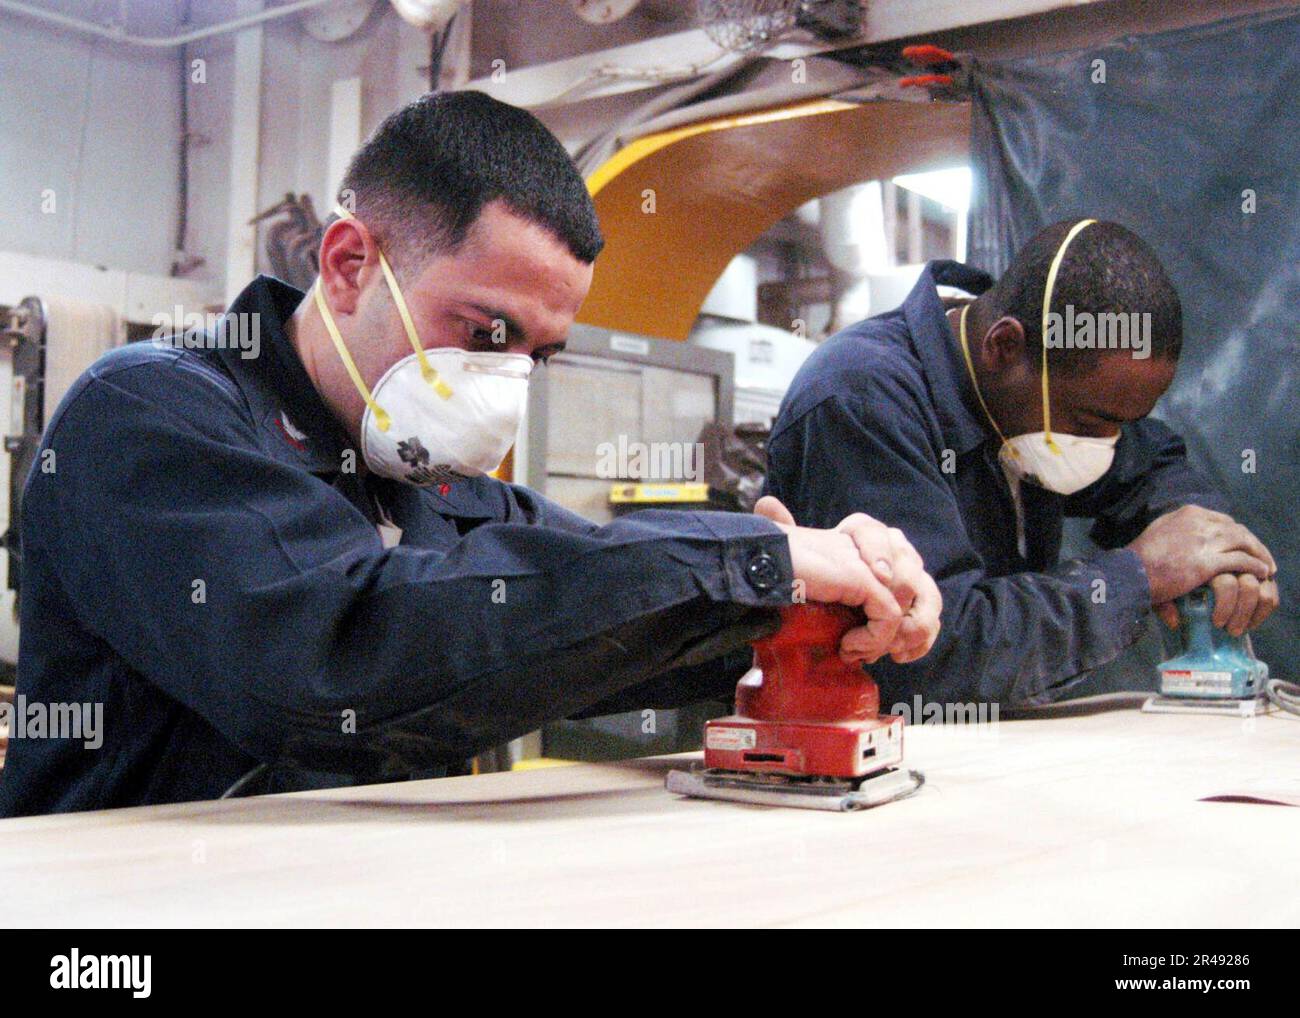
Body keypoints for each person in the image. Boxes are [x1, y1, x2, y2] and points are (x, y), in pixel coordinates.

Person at [0, 92, 940, 817]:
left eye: (538, 352)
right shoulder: (149, 415)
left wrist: (808, 599)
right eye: (487, 331)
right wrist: (738, 566)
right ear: (349, 264)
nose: (507, 381)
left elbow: (577, 623)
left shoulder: (428, 481)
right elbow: (335, 660)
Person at [764, 219, 1278, 709]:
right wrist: (1140, 575)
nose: (1110, 443)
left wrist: (1213, 548)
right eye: (1091, 421)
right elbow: (929, 658)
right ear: (1005, 346)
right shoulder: (861, 399)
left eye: (1126, 422)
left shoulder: (1048, 384)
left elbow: (1155, 465)